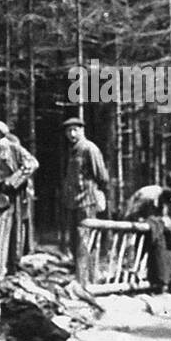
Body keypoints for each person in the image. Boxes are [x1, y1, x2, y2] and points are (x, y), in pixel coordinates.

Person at [0, 121, 39, 277]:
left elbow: (32, 163)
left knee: (0, 229)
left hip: (6, 195)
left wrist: (12, 182)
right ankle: (4, 267)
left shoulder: (10, 147)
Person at [61, 116, 110, 285]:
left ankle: (89, 280)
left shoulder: (89, 148)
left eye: (75, 130)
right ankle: (82, 278)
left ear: (82, 130)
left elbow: (102, 176)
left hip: (87, 202)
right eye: (69, 131)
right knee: (75, 242)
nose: (72, 134)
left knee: (86, 242)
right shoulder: (72, 150)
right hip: (73, 202)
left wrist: (95, 192)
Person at [125, 183, 171, 292]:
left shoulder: (159, 196)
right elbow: (136, 207)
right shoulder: (150, 194)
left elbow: (160, 210)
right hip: (133, 214)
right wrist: (139, 218)